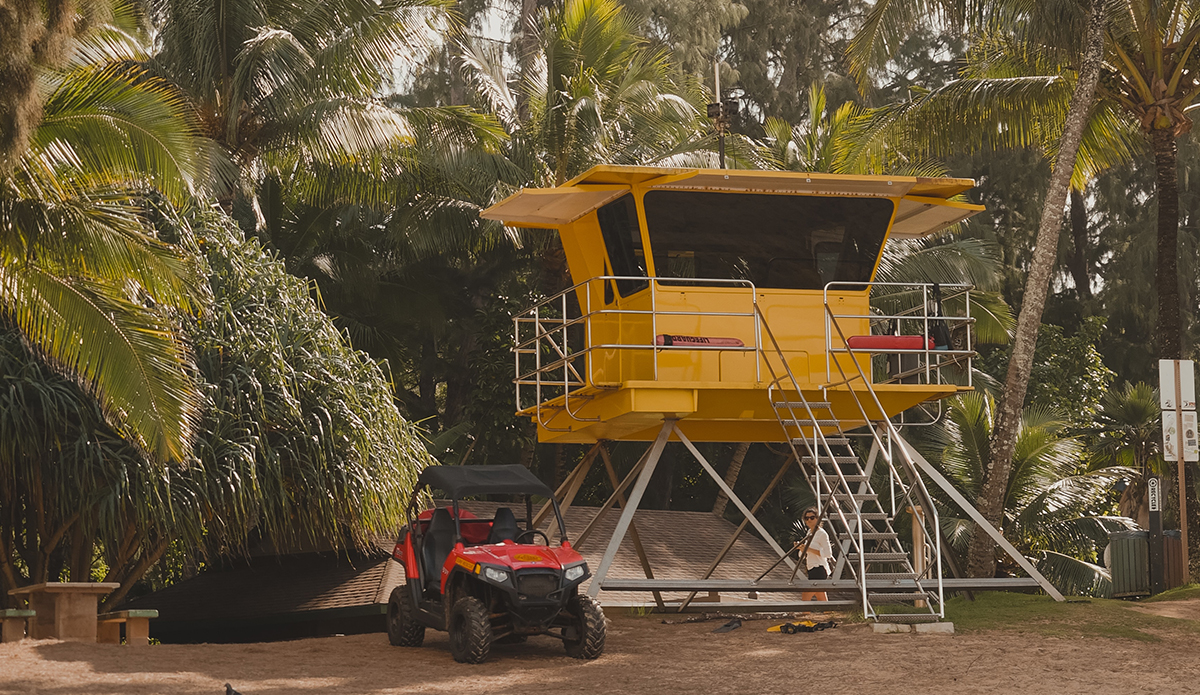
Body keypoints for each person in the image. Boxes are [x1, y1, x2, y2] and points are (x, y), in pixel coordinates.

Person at [799, 508, 833, 601]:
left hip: (819, 568)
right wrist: (801, 549)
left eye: (812, 517)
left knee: (806, 594)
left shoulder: (822, 534)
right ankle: (830, 610)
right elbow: (804, 554)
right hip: (811, 568)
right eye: (806, 518)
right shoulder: (809, 533)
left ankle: (802, 610)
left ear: (818, 519)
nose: (809, 520)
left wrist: (808, 549)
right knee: (820, 596)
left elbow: (828, 553)